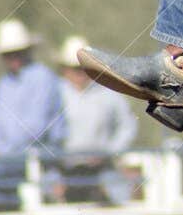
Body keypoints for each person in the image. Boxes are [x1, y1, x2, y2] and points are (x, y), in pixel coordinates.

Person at [55, 36, 139, 202]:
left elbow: (127, 124)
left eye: (83, 67)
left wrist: (110, 151)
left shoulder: (108, 91)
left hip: (103, 166)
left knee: (122, 198)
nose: (80, 73)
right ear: (64, 69)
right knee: (46, 195)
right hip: (63, 168)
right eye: (75, 68)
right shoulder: (54, 93)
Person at [0, 19, 65, 159]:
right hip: (9, 158)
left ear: (27, 51)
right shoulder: (4, 83)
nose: (14, 58)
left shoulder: (42, 78)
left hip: (40, 158)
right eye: (8, 54)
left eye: (18, 52)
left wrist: (2, 151)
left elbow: (36, 128)